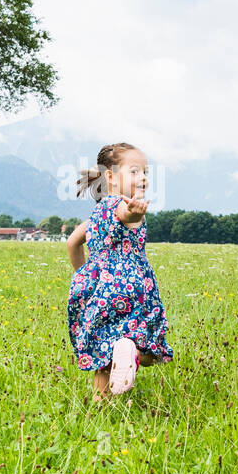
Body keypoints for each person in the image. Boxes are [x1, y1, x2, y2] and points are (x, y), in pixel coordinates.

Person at [66, 143, 173, 401]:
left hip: (100, 291)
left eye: (146, 172)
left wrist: (85, 274)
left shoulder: (96, 213)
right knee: (149, 347)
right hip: (133, 287)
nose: (144, 177)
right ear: (111, 176)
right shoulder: (124, 207)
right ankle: (132, 353)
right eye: (135, 171)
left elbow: (72, 242)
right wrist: (133, 213)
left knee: (103, 349)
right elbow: (124, 215)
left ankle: (100, 404)